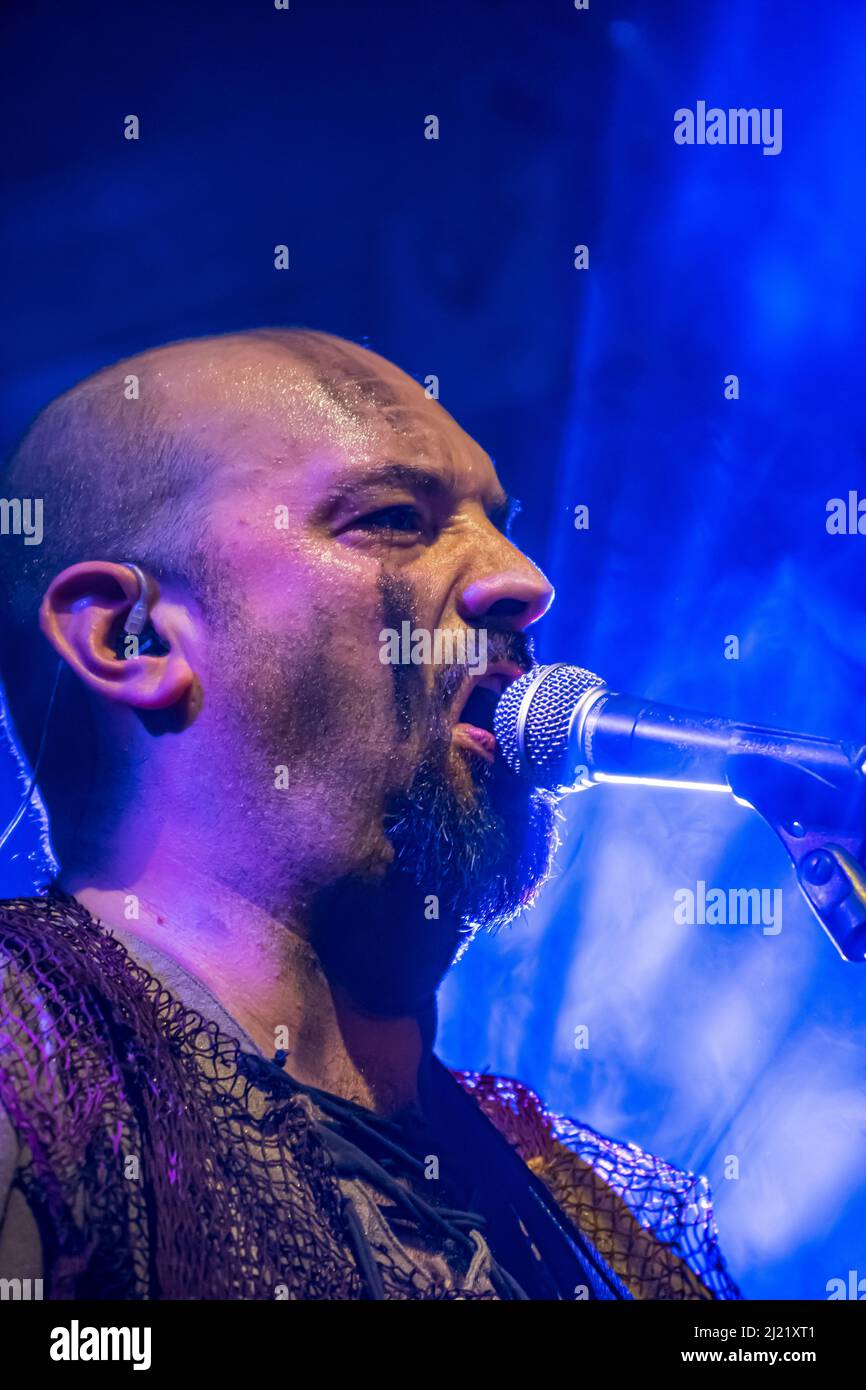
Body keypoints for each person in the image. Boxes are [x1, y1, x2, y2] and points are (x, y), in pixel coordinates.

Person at [0, 330, 740, 1300]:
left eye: (498, 523)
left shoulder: (589, 1206)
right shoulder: (30, 1068)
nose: (524, 580)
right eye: (394, 518)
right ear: (130, 637)